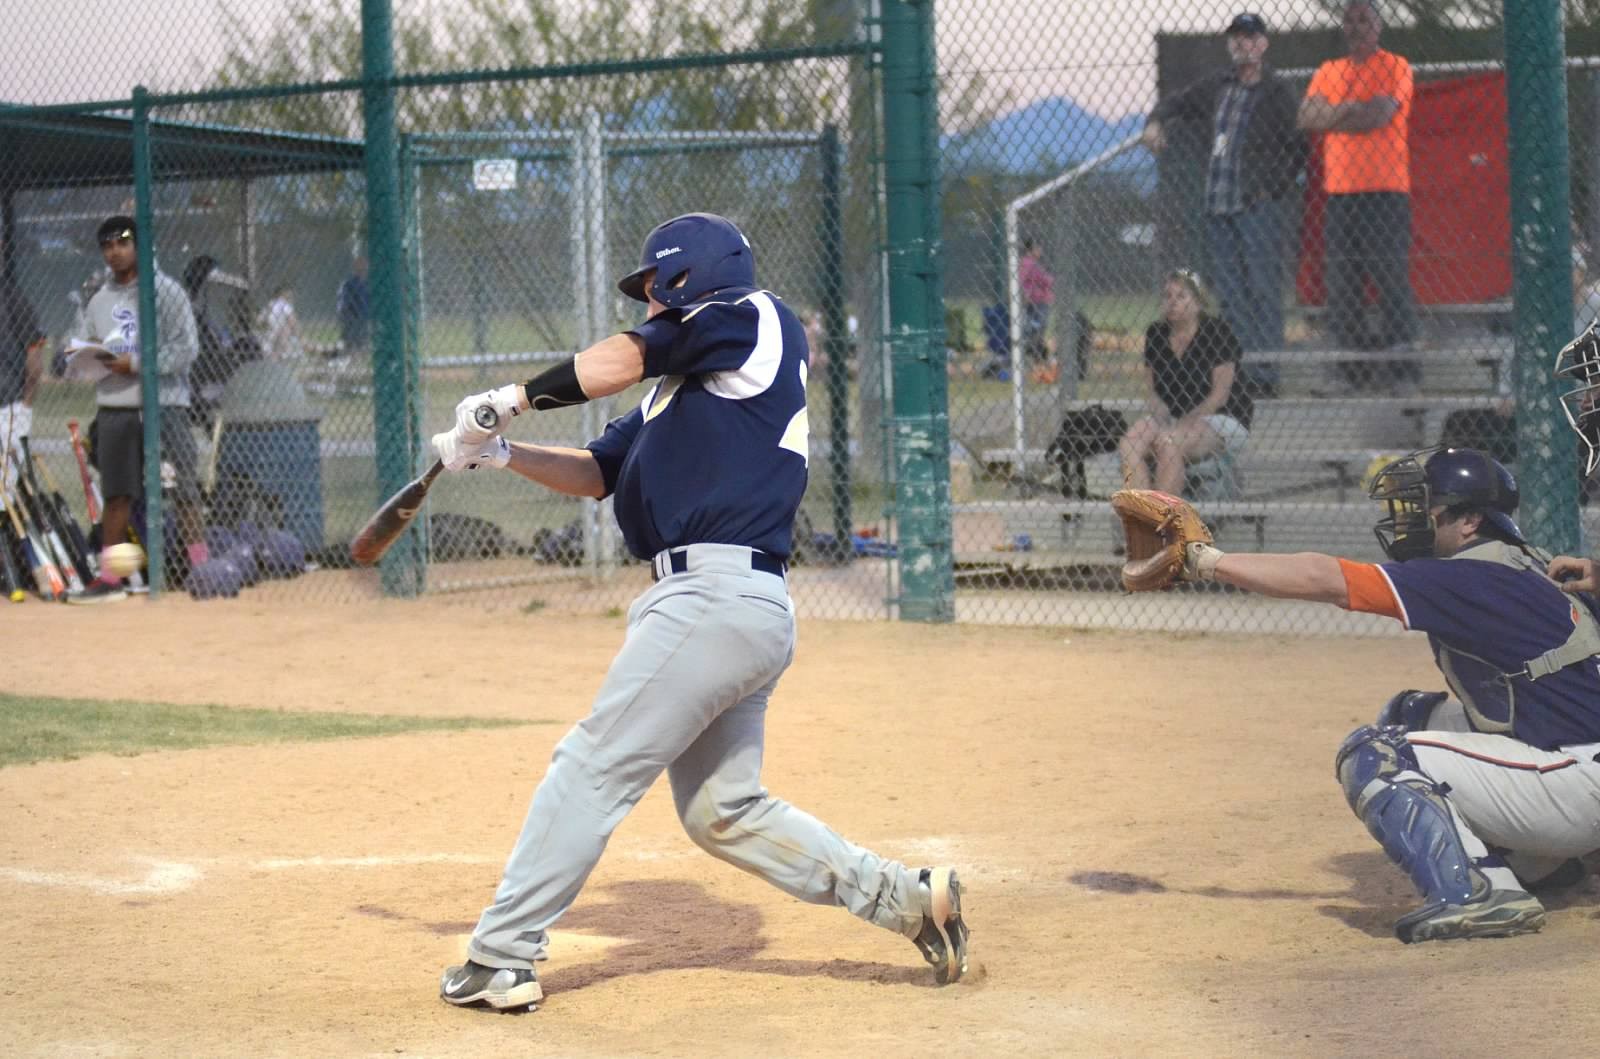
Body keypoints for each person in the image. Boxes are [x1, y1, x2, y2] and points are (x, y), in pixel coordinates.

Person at [427, 212, 969, 1012]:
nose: (648, 303)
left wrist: (510, 399)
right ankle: (905, 897)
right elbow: (596, 472)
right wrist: (499, 452)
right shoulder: (681, 392)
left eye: (653, 286)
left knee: (590, 763)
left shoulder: (751, 320)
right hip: (729, 605)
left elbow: (623, 357)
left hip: (712, 598)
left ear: (690, 276)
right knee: (723, 809)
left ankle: (502, 955)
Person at [1171, 446, 1600, 941]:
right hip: (1575, 767)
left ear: (1470, 521)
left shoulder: (1470, 575)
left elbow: (1323, 579)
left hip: (1578, 780)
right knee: (1410, 715)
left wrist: (1206, 561)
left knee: (1378, 754)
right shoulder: (1526, 564)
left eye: (1426, 512)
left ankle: (1479, 896)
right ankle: (1543, 866)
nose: (1410, 522)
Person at [1142, 12, 1303, 394]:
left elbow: (1297, 147)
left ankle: (1267, 375)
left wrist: (1272, 187)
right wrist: (1154, 123)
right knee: (1230, 295)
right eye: (1236, 38)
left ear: (1263, 44)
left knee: (1262, 289)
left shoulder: (1278, 91)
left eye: (1250, 38)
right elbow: (1174, 103)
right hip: (1218, 205)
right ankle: (1240, 376)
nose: (1242, 45)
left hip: (1256, 206)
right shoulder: (1218, 85)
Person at [72, 215, 204, 602]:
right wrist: (85, 359)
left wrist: (138, 364)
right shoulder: (99, 300)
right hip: (115, 406)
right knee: (117, 495)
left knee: (185, 488)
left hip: (165, 404)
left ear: (139, 246)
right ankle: (110, 580)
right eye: (107, 246)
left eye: (122, 243)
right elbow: (87, 347)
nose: (114, 252)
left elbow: (187, 349)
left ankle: (200, 568)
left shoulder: (167, 293)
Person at [1298, 0, 1418, 390]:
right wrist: (1353, 109)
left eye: (1364, 20)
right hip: (1341, 194)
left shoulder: (1396, 66)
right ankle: (1350, 374)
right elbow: (1306, 118)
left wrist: (1335, 112)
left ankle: (1403, 372)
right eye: (1349, 21)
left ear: (1378, 26)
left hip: (1386, 191)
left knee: (1389, 277)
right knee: (1343, 283)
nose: (1356, 27)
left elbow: (1380, 115)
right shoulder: (1329, 70)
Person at [1119, 269, 1252, 497]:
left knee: (1168, 443)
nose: (1172, 302)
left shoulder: (1217, 331)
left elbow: (1219, 396)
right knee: (1129, 443)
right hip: (1173, 418)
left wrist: (1179, 426)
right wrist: (1160, 414)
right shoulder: (1156, 333)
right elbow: (1152, 392)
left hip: (1219, 418)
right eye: (1168, 296)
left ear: (1198, 302)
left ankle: (1164, 524)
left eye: (1181, 296)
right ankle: (1144, 518)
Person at [0, 244, 46, 493]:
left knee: (5, 491)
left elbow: (35, 356)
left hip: (9, 408)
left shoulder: (12, 298)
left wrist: (25, 405)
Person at [1018, 237, 1054, 369]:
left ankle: (1037, 357)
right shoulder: (1028, 264)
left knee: (1036, 329)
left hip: (1039, 301)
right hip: (1036, 302)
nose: (1041, 250)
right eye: (1038, 248)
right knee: (1036, 329)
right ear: (1031, 249)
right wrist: (1025, 295)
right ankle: (1036, 356)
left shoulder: (1033, 263)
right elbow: (1022, 281)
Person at [335, 254, 369, 354]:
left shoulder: (368, 282)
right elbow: (344, 300)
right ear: (355, 267)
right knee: (350, 339)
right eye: (359, 265)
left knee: (362, 339)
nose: (362, 267)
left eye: (364, 265)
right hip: (352, 315)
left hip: (364, 315)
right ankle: (349, 351)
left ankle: (359, 351)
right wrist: (344, 312)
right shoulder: (349, 282)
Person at [259, 284, 304, 360]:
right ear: (283, 294)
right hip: (282, 341)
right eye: (289, 295)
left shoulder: (270, 305)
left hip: (266, 339)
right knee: (286, 330)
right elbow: (293, 322)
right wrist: (301, 337)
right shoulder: (284, 305)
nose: (292, 297)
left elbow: (259, 321)